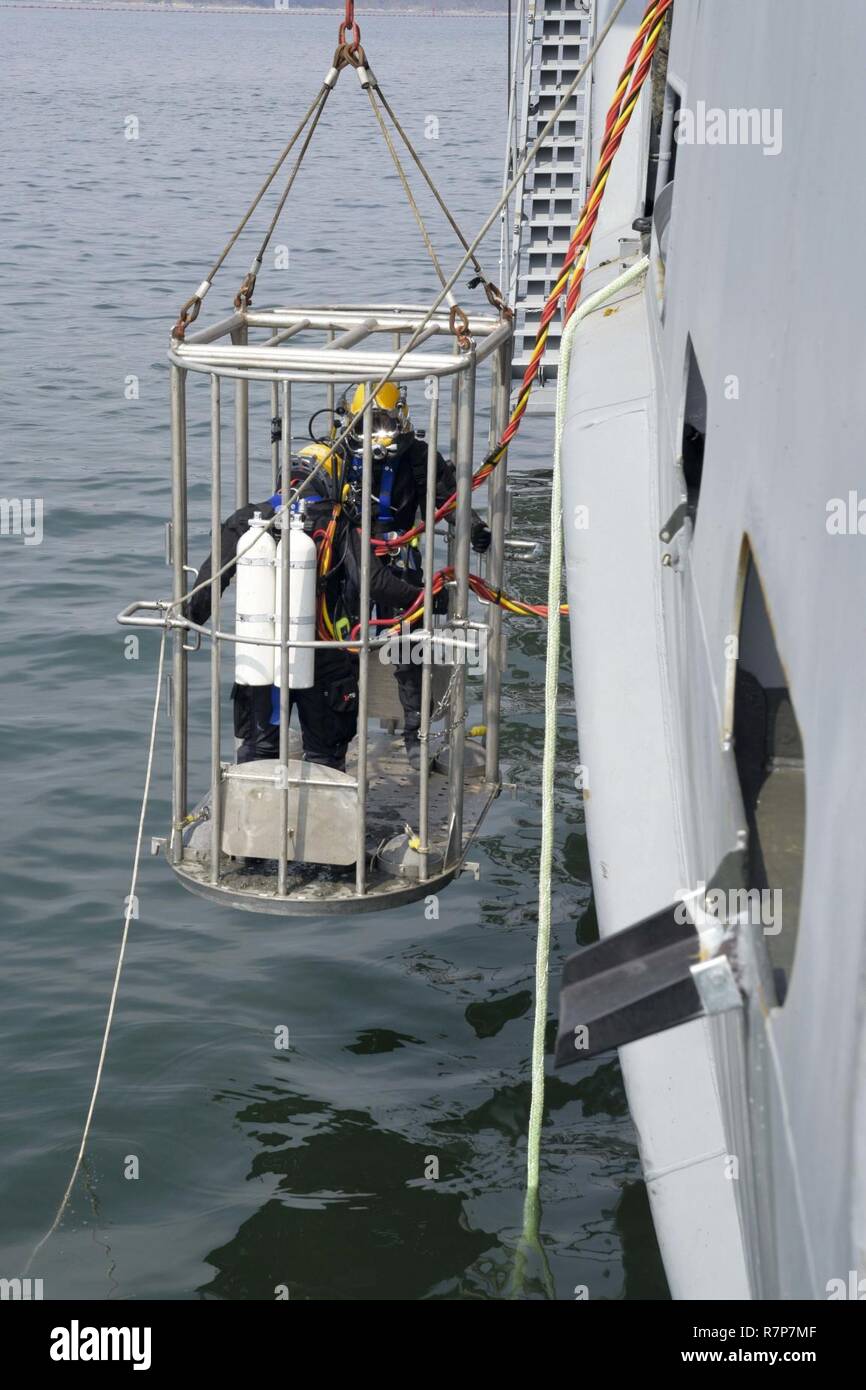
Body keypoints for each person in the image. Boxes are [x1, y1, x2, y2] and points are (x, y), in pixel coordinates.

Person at [186, 449, 426, 773]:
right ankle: (327, 819)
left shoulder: (249, 520)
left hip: (263, 656)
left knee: (260, 750)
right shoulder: (338, 523)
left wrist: (187, 619)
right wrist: (424, 597)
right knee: (324, 758)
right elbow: (375, 582)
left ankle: (254, 817)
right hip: (324, 657)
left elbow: (211, 581)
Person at [334, 380, 491, 763]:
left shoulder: (418, 457)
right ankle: (334, 740)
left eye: (384, 422)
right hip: (349, 562)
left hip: (398, 561)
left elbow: (447, 500)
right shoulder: (337, 456)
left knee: (406, 651)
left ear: (400, 420)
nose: (376, 434)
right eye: (366, 424)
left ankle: (415, 738)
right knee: (338, 652)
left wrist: (474, 529)